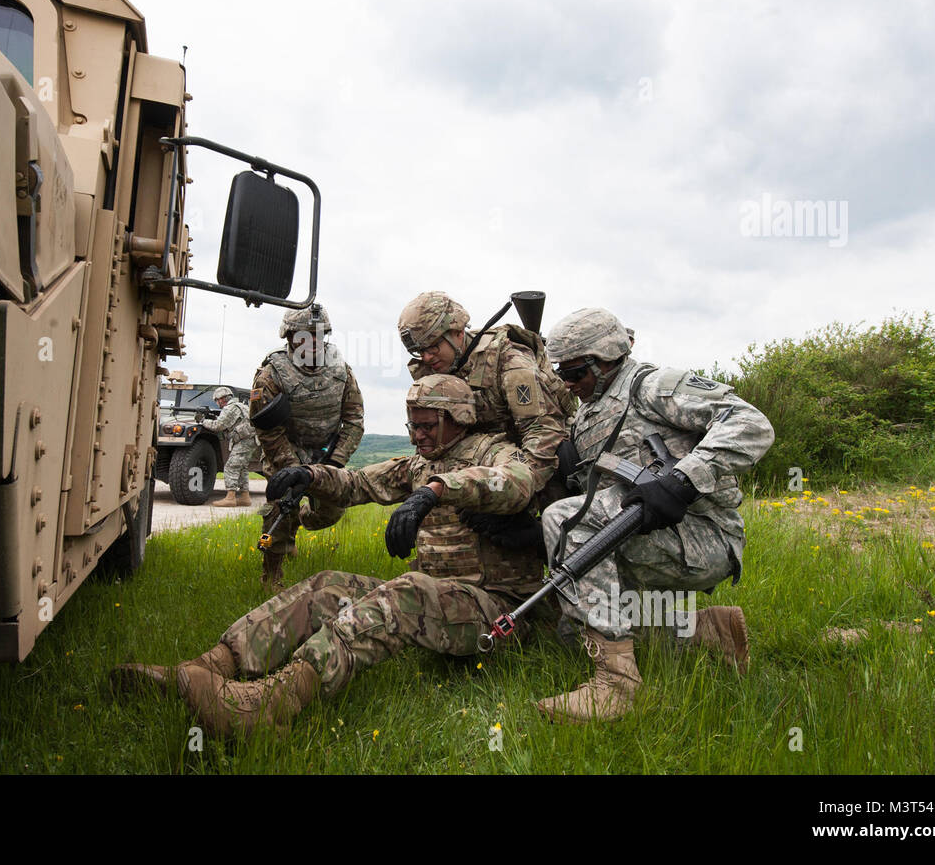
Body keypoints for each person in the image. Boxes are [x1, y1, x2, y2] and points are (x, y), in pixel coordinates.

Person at [111, 375, 542, 737]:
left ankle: (273, 702)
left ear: (458, 418)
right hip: (440, 600)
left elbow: (517, 481)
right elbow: (356, 483)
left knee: (405, 591)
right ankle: (207, 668)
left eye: (428, 426)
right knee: (326, 585)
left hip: (498, 610)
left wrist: (437, 491)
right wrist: (310, 475)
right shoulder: (417, 464)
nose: (419, 436)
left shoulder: (494, 451)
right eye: (413, 427)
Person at [534, 307, 775, 723]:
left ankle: (617, 688)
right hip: (647, 531)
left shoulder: (651, 385)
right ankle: (705, 631)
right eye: (562, 375)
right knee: (575, 631)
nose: (569, 385)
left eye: (576, 374)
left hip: (703, 533)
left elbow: (750, 422)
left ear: (605, 359)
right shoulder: (589, 413)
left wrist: (684, 479)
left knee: (565, 521)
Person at [396, 291, 573, 494]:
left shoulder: (509, 360)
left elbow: (543, 433)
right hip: (487, 464)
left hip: (536, 463)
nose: (426, 357)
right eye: (420, 351)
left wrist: (508, 493)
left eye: (433, 347)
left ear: (458, 333)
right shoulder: (434, 369)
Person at [248, 303, 364, 586]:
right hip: (286, 449)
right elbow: (268, 430)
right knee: (279, 510)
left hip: (327, 453)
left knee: (331, 511)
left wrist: (334, 463)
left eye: (318, 335)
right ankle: (272, 572)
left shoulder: (341, 371)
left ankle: (298, 519)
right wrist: (292, 470)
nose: (311, 342)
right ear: (289, 337)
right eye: (303, 336)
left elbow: (354, 421)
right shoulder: (271, 374)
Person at [201, 386, 259, 507]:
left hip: (244, 440)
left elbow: (218, 425)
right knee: (242, 468)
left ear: (222, 399)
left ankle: (230, 497)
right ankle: (245, 497)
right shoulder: (242, 406)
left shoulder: (230, 408)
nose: (217, 404)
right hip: (250, 440)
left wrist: (203, 421)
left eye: (217, 401)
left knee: (231, 466)